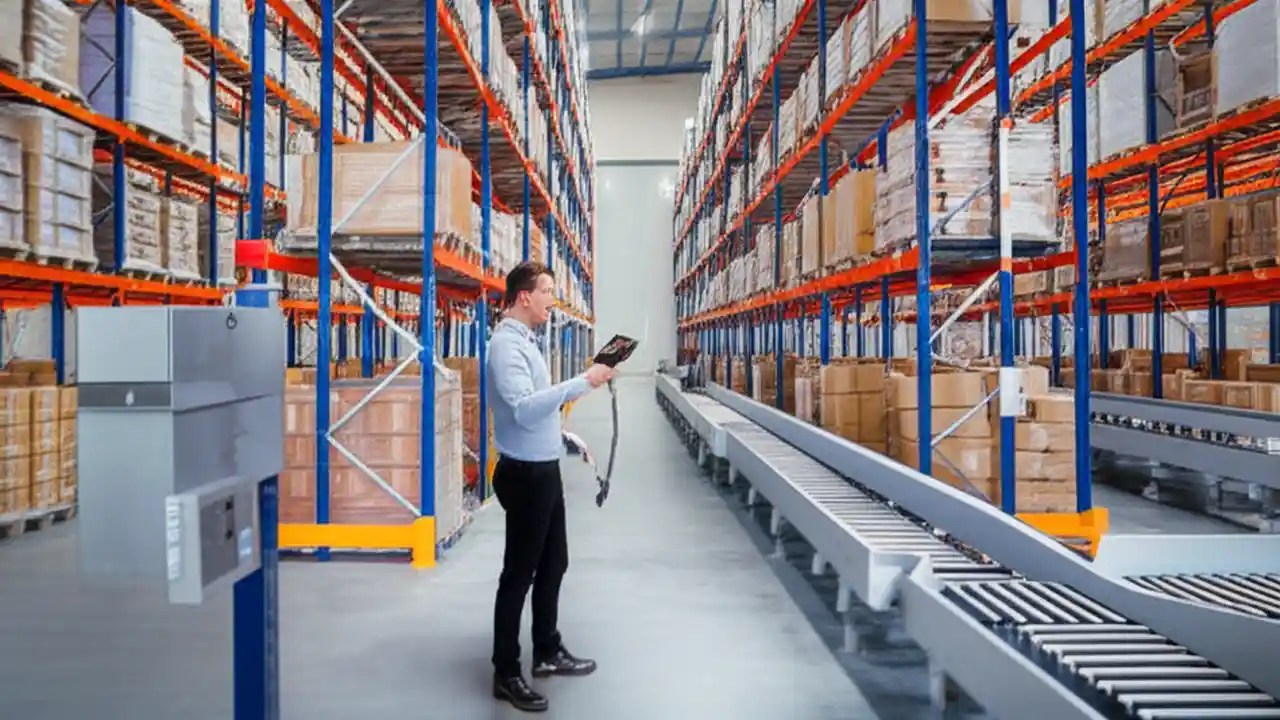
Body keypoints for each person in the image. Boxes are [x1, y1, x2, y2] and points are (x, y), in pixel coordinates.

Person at [485, 261, 616, 712]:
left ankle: (546, 650)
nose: (551, 300)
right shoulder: (505, 347)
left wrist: (563, 436)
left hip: (543, 467)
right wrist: (582, 382)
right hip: (525, 475)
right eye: (546, 291)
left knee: (554, 562)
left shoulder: (526, 342)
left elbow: (537, 410)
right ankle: (505, 671)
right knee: (518, 574)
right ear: (524, 296)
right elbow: (522, 409)